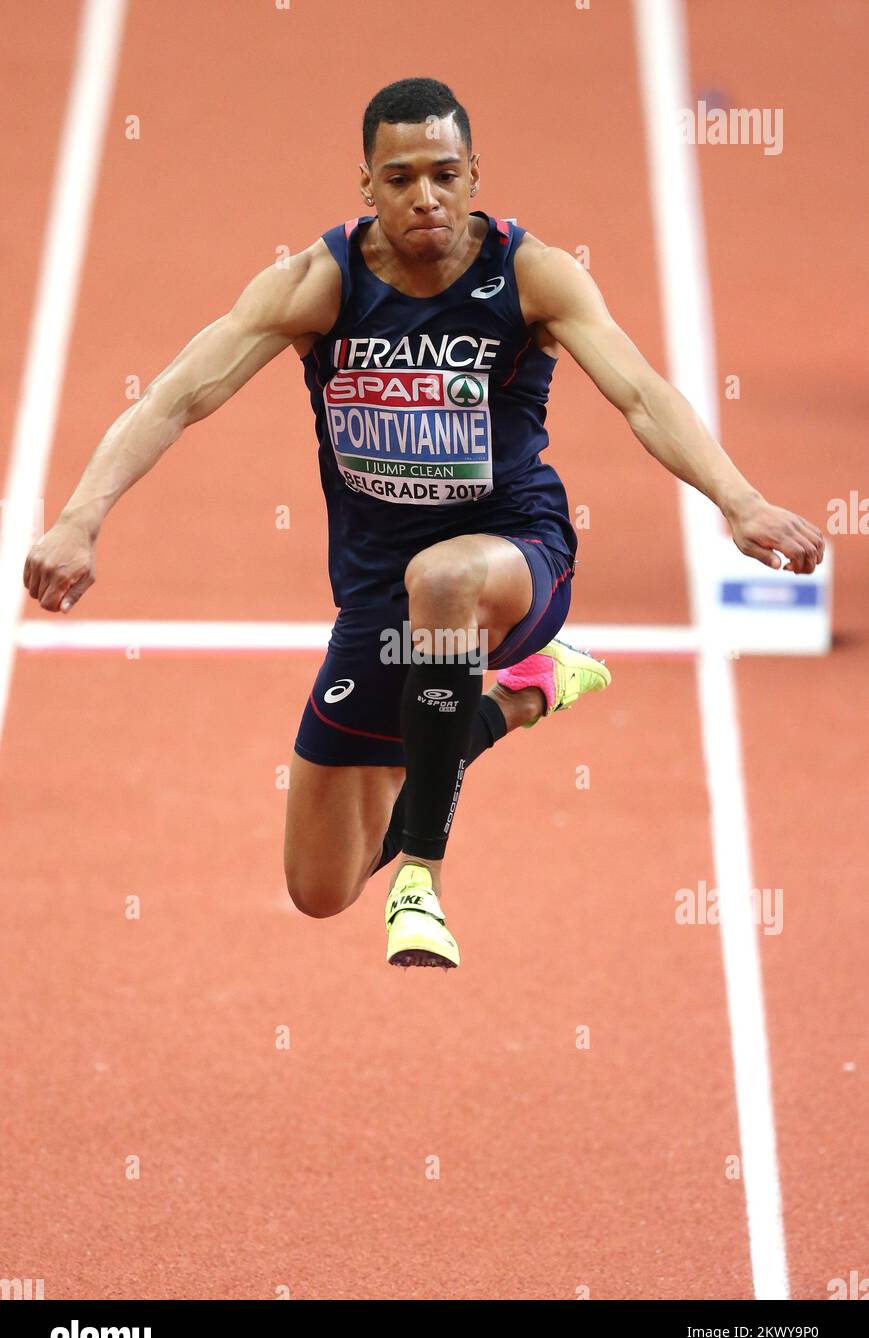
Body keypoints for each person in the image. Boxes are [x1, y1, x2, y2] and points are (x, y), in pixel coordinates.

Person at [22, 77, 825, 971]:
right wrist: (76, 520)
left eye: (444, 174)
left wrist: (738, 500)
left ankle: (422, 881)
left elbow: (640, 394)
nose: (425, 197)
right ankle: (521, 694)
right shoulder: (317, 285)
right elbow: (176, 396)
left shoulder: (532, 276)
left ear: (475, 174)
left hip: (515, 556)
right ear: (364, 185)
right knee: (320, 888)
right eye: (399, 178)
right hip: (375, 598)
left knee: (442, 579)